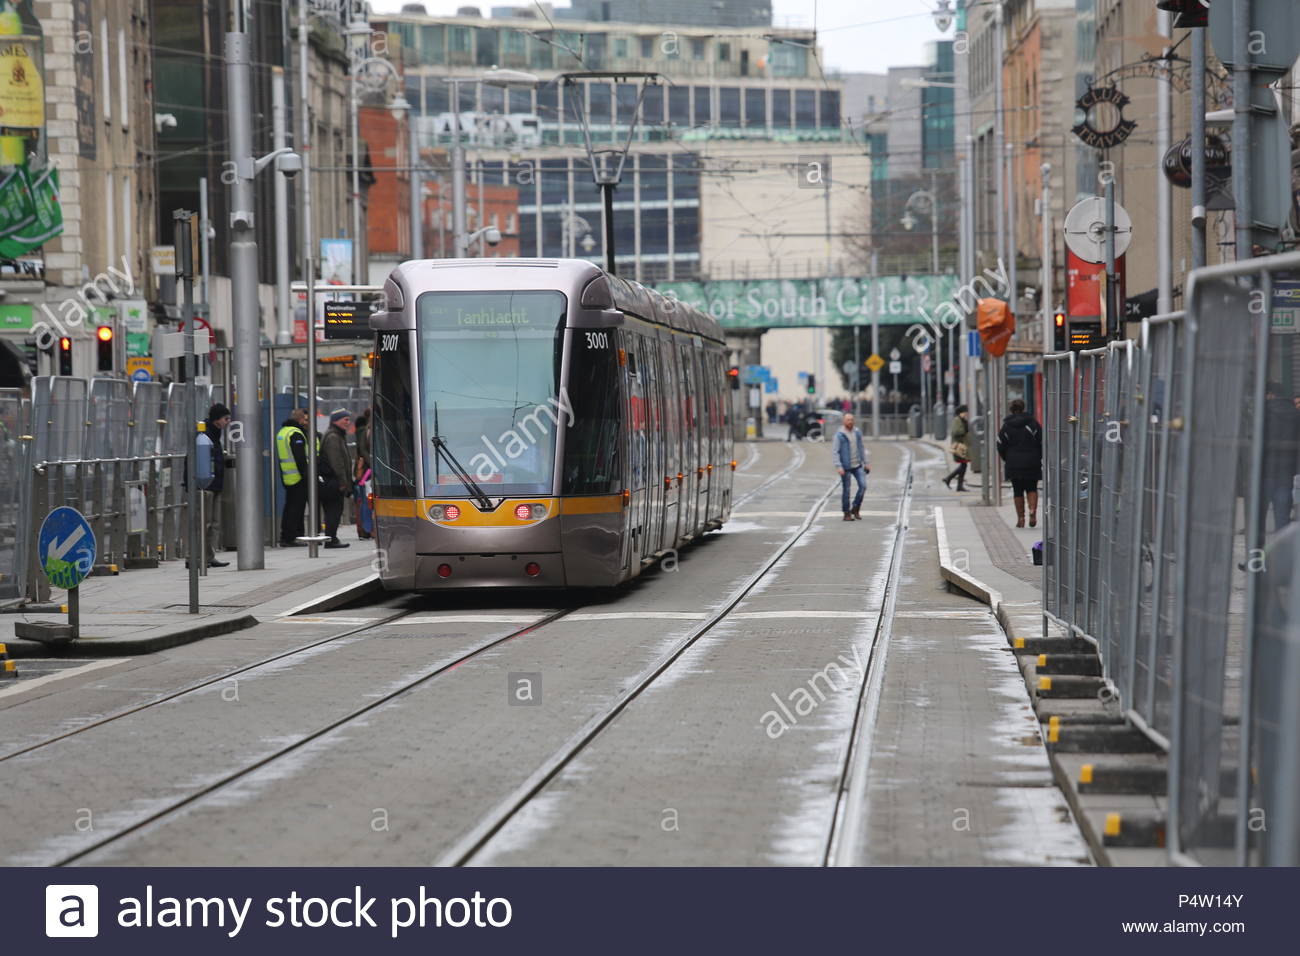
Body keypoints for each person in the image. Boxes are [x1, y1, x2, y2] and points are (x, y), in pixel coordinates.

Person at [191, 403, 231, 569]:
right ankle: (196, 556)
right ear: (217, 419)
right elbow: (195, 459)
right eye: (226, 418)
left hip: (216, 484)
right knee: (203, 522)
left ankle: (208, 555)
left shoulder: (215, 433)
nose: (228, 422)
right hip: (204, 485)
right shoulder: (203, 434)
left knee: (214, 523)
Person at [997, 398, 1043, 528]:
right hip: (1032, 461)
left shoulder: (1006, 426)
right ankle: (1032, 511)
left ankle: (1021, 518)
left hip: (1013, 462)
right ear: (1023, 408)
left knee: (1017, 490)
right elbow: (1041, 440)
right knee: (1032, 487)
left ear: (1011, 410)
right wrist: (1038, 456)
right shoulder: (1032, 423)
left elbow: (1000, 444)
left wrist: (1007, 457)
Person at [1260, 382, 1300, 533]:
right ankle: (1281, 550)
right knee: (1282, 519)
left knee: (1258, 518)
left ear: (1270, 395)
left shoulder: (1262, 414)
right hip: (1286, 472)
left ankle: (1257, 552)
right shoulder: (1297, 415)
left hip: (1264, 471)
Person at [276, 407, 311, 547]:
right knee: (296, 508)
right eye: (306, 419)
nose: (307, 422)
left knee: (289, 507)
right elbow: (300, 458)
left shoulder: (283, 431)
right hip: (297, 477)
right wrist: (306, 475)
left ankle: (286, 536)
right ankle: (292, 536)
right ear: (301, 419)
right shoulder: (296, 433)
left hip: (287, 475)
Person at [319, 409, 353, 548]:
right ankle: (331, 539)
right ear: (336, 421)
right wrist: (343, 482)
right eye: (345, 419)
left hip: (331, 480)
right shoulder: (333, 437)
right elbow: (337, 461)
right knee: (334, 510)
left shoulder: (336, 435)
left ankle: (331, 537)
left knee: (333, 510)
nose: (348, 422)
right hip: (332, 481)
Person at [833, 412, 870, 521]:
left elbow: (861, 448)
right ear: (844, 421)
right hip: (845, 466)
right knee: (847, 490)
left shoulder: (857, 432)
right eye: (848, 420)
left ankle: (855, 508)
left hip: (857, 464)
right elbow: (835, 452)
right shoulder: (839, 435)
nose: (850, 422)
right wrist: (838, 466)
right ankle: (846, 513)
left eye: (852, 420)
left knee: (863, 486)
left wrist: (866, 462)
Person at [354, 406, 373, 540]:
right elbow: (363, 450)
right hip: (368, 473)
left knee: (366, 500)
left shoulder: (366, 430)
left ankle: (366, 529)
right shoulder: (366, 431)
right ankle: (367, 529)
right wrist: (373, 463)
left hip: (368, 471)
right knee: (367, 501)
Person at [944, 404, 970, 492]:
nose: (966, 413)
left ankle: (955, 483)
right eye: (965, 412)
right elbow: (956, 432)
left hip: (962, 446)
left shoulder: (962, 420)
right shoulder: (957, 420)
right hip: (959, 446)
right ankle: (951, 480)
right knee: (964, 465)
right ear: (961, 413)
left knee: (964, 465)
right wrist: (964, 431)